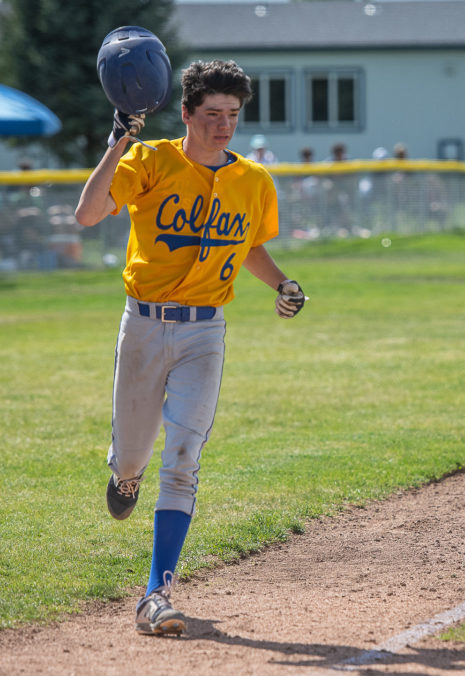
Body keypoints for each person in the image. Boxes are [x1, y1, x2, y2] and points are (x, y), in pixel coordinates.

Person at [74, 59, 307, 637]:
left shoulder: (254, 180)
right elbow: (87, 214)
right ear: (185, 114)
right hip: (145, 326)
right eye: (212, 116)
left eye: (232, 115)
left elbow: (248, 244)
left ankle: (156, 593)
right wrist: (119, 142)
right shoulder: (151, 160)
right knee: (134, 457)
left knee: (183, 456)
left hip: (206, 330)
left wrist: (282, 282)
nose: (224, 127)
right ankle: (124, 475)